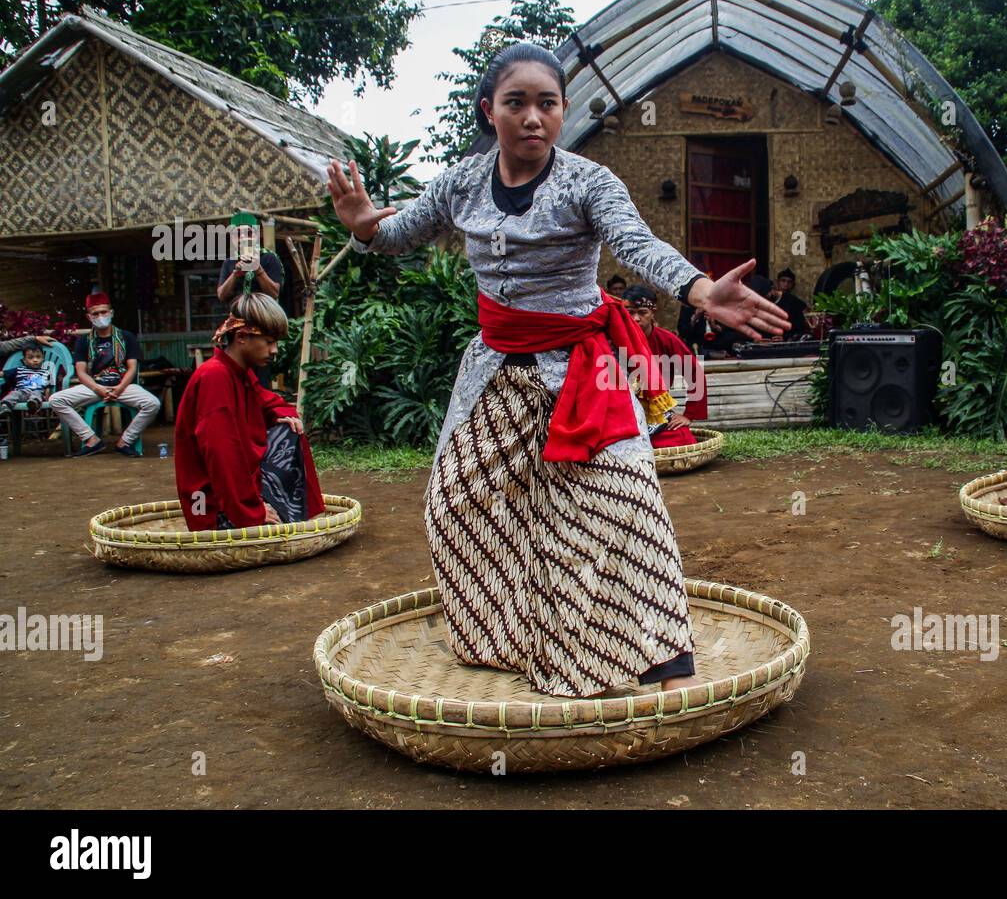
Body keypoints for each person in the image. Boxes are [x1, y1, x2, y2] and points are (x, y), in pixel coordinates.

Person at [327, 41, 790, 699]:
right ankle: (513, 633)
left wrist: (697, 288)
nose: (533, 118)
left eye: (547, 104)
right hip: (492, 372)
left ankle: (650, 648)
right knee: (452, 505)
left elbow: (637, 245)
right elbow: (398, 234)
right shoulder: (460, 183)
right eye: (516, 103)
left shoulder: (589, 182)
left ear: (563, 110)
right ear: (491, 111)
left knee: (622, 498)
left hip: (580, 370)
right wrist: (362, 227)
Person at [172, 292, 325, 531]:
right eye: (269, 341)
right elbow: (221, 453)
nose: (275, 350)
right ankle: (256, 515)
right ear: (242, 337)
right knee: (276, 438)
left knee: (289, 430)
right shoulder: (215, 376)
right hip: (208, 504)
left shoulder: (238, 372)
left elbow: (267, 402)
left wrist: (282, 415)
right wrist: (252, 508)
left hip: (229, 490)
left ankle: (276, 511)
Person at [50, 293, 161, 457]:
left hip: (124, 386)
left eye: (104, 312)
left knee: (153, 404)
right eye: (95, 314)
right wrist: (98, 389)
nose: (100, 316)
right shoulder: (84, 341)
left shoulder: (126, 337)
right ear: (89, 316)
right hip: (95, 387)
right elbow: (81, 372)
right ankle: (91, 439)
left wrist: (119, 389)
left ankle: (126, 441)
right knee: (56, 400)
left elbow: (132, 368)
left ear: (111, 313)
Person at [622, 284, 709, 448]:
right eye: (630, 313)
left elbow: (694, 372)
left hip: (655, 411)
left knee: (683, 439)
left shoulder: (667, 340)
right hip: (621, 411)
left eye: (642, 312)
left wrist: (688, 415)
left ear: (653, 312)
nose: (636, 318)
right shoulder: (612, 339)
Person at [217, 211, 284, 390]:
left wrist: (258, 269)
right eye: (237, 234)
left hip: (261, 327)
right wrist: (236, 274)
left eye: (247, 233)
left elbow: (274, 292)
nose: (242, 238)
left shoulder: (268, 258)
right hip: (237, 328)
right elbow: (222, 295)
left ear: (255, 235)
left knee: (260, 378)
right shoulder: (229, 263)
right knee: (234, 374)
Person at [1, 341, 53, 413]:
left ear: (43, 358)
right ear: (25, 360)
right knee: (15, 393)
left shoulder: (46, 372)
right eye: (30, 358)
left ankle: (33, 404)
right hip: (22, 393)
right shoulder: (19, 370)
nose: (35, 360)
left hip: (37, 394)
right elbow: (3, 374)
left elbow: (48, 388)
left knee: (37, 392)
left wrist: (47, 400)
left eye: (38, 357)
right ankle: (5, 406)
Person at [773, 267, 809, 338]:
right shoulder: (772, 299)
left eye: (789, 282)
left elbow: (804, 324)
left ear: (793, 284)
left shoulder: (798, 303)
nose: (786, 284)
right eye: (783, 281)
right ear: (778, 282)